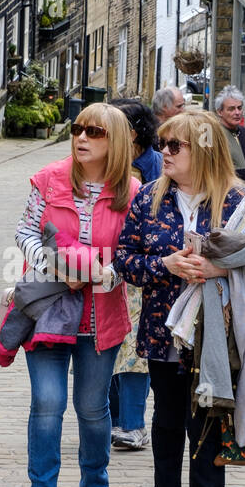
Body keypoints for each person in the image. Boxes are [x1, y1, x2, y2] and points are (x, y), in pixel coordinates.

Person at [114, 108, 245, 487]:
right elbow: (123, 260)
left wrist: (218, 265)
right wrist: (166, 265)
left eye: (173, 146)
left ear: (201, 150)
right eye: (162, 144)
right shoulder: (149, 201)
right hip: (165, 333)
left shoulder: (237, 201)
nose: (164, 152)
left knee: (205, 425)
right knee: (166, 422)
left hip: (216, 336)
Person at [14, 103, 139, 487]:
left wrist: (108, 274)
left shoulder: (133, 192)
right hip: (49, 312)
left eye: (94, 131)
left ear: (115, 141)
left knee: (91, 410)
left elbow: (133, 253)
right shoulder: (49, 179)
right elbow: (26, 232)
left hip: (100, 317)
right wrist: (56, 264)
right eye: (78, 128)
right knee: (47, 406)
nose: (82, 137)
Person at [106, 98, 161, 451]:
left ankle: (131, 424)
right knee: (108, 347)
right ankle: (109, 421)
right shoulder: (108, 164)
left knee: (134, 352)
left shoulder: (153, 165)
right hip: (106, 269)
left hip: (137, 272)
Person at [215, 85, 245, 185]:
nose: (237, 112)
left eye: (239, 108)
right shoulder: (214, 135)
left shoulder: (244, 133)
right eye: (231, 109)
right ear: (220, 112)